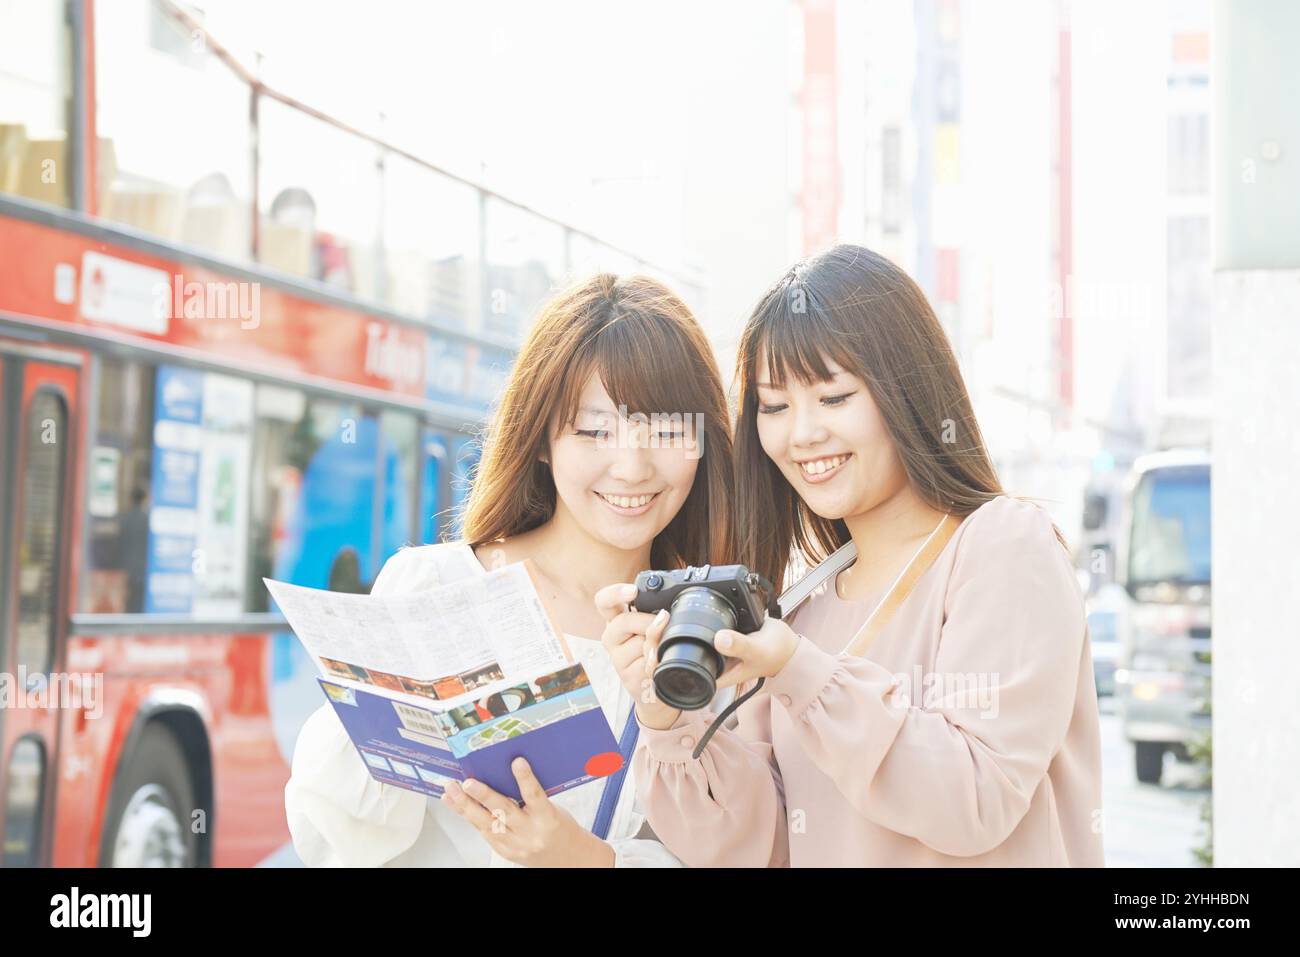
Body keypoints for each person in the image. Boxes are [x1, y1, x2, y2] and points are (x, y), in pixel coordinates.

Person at [599, 245, 1105, 866]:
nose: (802, 433)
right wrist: (666, 715)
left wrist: (798, 671)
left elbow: (977, 801)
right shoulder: (798, 608)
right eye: (776, 407)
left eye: (834, 397)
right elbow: (757, 849)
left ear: (908, 392)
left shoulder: (1002, 546)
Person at [285, 273, 735, 866]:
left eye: (666, 430)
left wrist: (586, 859)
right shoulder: (439, 587)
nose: (631, 466)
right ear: (543, 439)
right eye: (595, 430)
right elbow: (334, 834)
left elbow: (728, 850)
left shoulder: (703, 641)